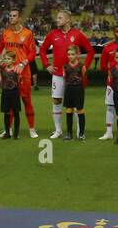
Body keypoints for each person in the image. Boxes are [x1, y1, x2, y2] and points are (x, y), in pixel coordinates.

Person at [39, 10, 94, 139]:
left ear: (68, 19)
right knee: (57, 101)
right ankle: (58, 130)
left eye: (60, 18)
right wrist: (47, 64)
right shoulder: (53, 34)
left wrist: (85, 66)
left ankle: (79, 132)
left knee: (76, 104)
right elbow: (42, 50)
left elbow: (90, 51)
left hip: (74, 75)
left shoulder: (77, 34)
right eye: (57, 18)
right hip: (57, 73)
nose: (57, 20)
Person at [0, 10, 38, 138]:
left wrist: (22, 63)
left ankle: (32, 129)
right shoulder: (5, 33)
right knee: (9, 102)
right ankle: (8, 129)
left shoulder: (27, 33)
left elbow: (32, 53)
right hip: (8, 74)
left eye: (14, 16)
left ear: (19, 18)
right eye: (10, 16)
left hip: (23, 73)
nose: (11, 18)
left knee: (26, 100)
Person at [61, 45, 88, 140]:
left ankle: (81, 133)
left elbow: (85, 80)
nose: (70, 56)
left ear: (77, 55)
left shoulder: (81, 66)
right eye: (68, 54)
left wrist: (80, 88)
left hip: (79, 90)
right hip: (69, 90)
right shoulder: (65, 66)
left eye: (72, 54)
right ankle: (69, 133)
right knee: (69, 110)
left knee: (79, 110)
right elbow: (65, 79)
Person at [0, 49, 25, 139]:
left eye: (8, 59)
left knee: (16, 113)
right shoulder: (2, 69)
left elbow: (20, 80)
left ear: (13, 60)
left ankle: (16, 133)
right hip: (5, 92)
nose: (6, 60)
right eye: (5, 59)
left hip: (14, 92)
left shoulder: (16, 70)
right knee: (6, 113)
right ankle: (7, 132)